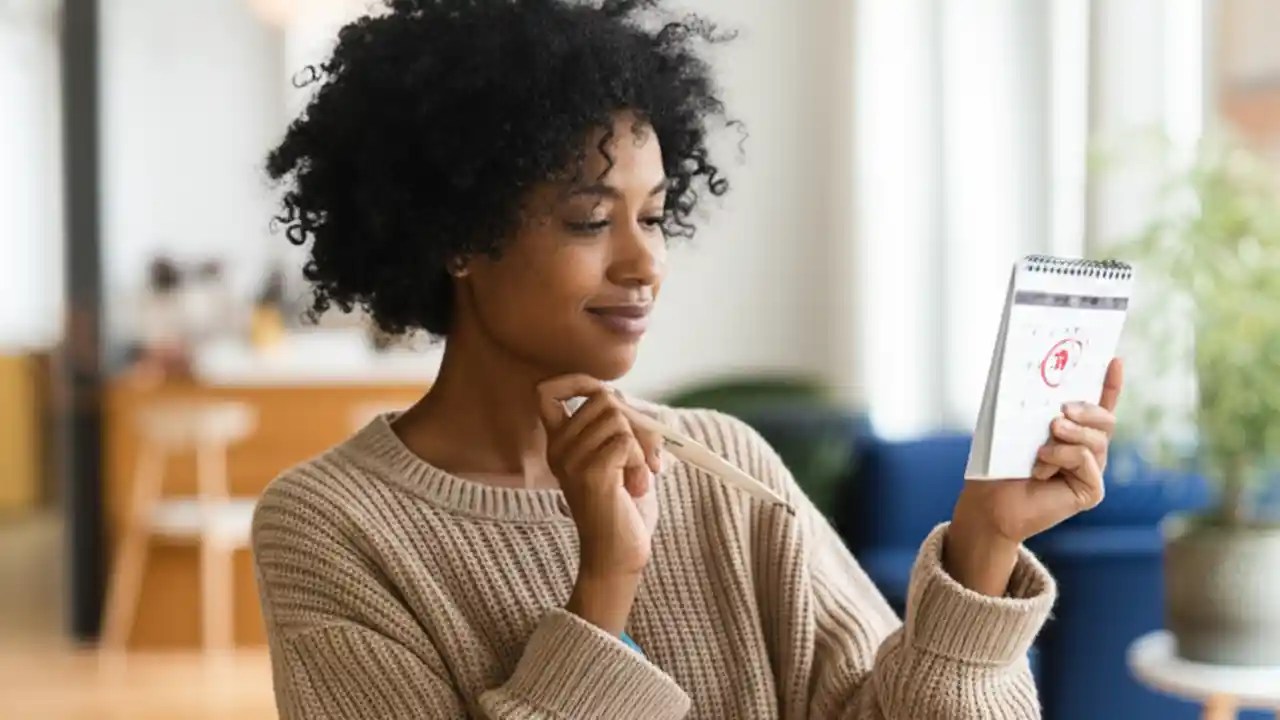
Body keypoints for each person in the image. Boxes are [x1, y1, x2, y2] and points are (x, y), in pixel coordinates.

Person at [251, 1, 1124, 718]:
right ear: (458, 238)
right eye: (592, 220)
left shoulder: (727, 468)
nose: (645, 263)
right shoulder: (332, 527)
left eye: (656, 215)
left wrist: (984, 540)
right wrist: (604, 586)